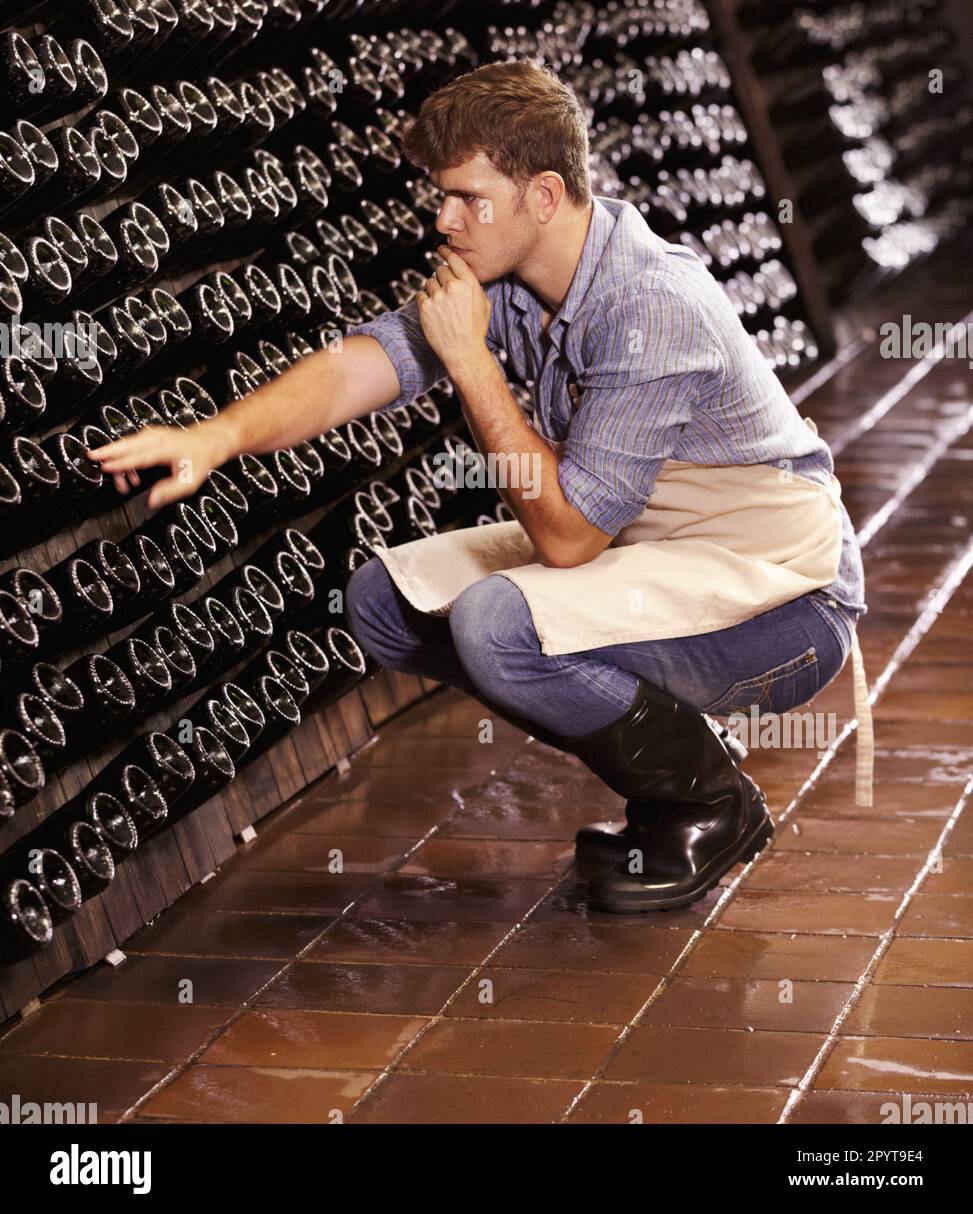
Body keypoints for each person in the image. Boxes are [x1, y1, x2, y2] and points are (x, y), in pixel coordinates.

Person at [88, 59, 867, 916]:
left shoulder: (650, 304)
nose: (443, 218)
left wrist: (468, 361)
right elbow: (365, 366)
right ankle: (671, 767)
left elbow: (568, 539)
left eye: (467, 197)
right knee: (389, 599)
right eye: (442, 194)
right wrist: (215, 437)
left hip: (784, 604)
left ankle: (708, 803)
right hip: (656, 554)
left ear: (541, 195)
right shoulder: (506, 274)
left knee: (494, 625)